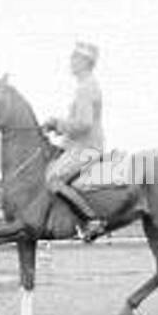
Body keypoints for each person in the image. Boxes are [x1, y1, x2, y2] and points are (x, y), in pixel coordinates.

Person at [43, 41, 106, 242]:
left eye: (74, 58)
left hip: (87, 148)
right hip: (77, 145)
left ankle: (92, 220)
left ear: (85, 62)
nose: (71, 62)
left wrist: (58, 124)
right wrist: (55, 127)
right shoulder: (85, 86)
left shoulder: (86, 88)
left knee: (54, 180)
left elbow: (84, 124)